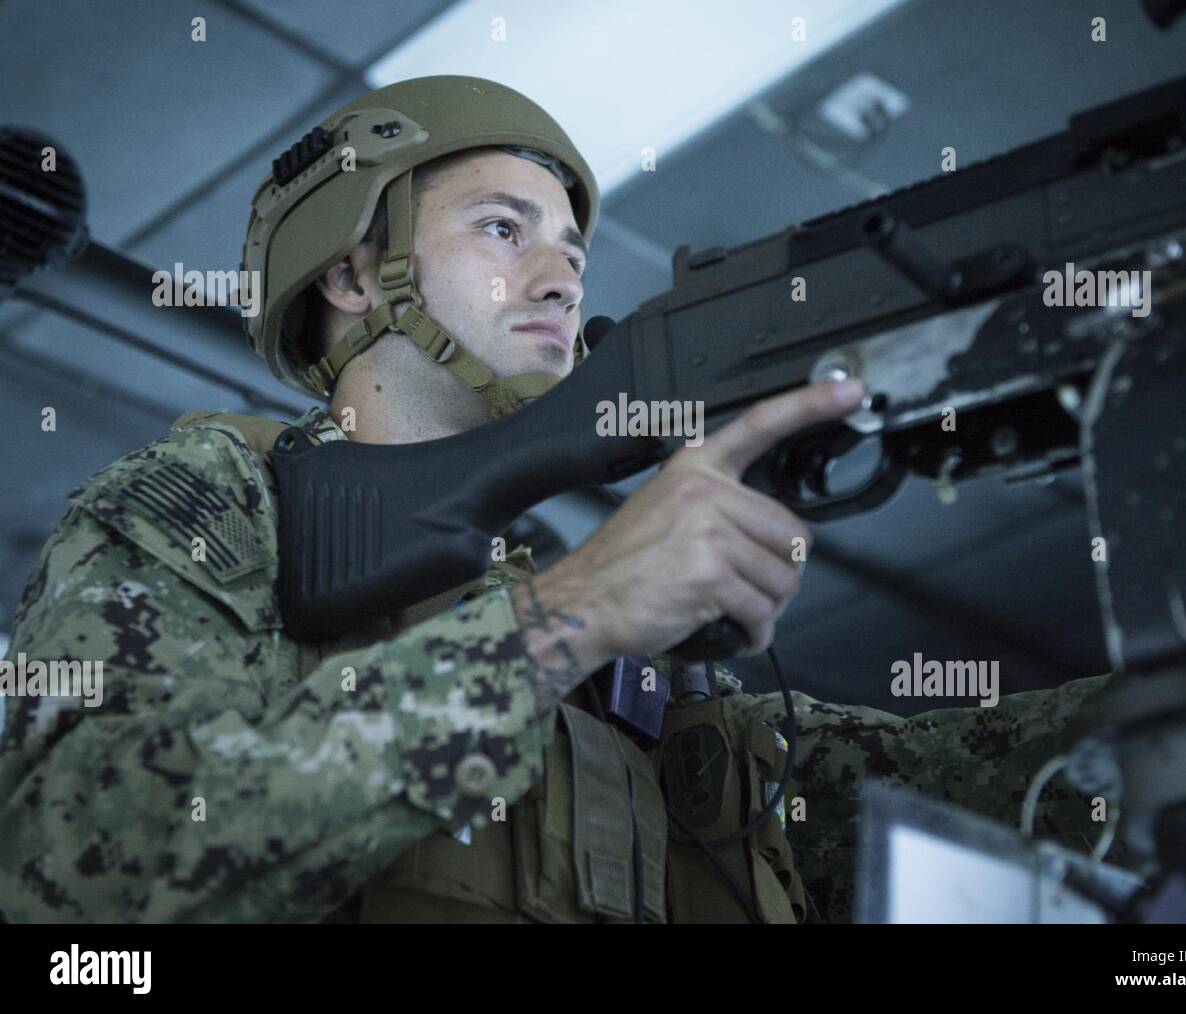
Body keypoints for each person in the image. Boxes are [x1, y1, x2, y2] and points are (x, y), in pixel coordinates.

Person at [0, 77, 1123, 923]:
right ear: (351, 277)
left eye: (573, 250)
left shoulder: (632, 662)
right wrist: (573, 611)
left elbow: (936, 795)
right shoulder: (205, 502)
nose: (560, 275)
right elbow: (78, 866)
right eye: (503, 228)